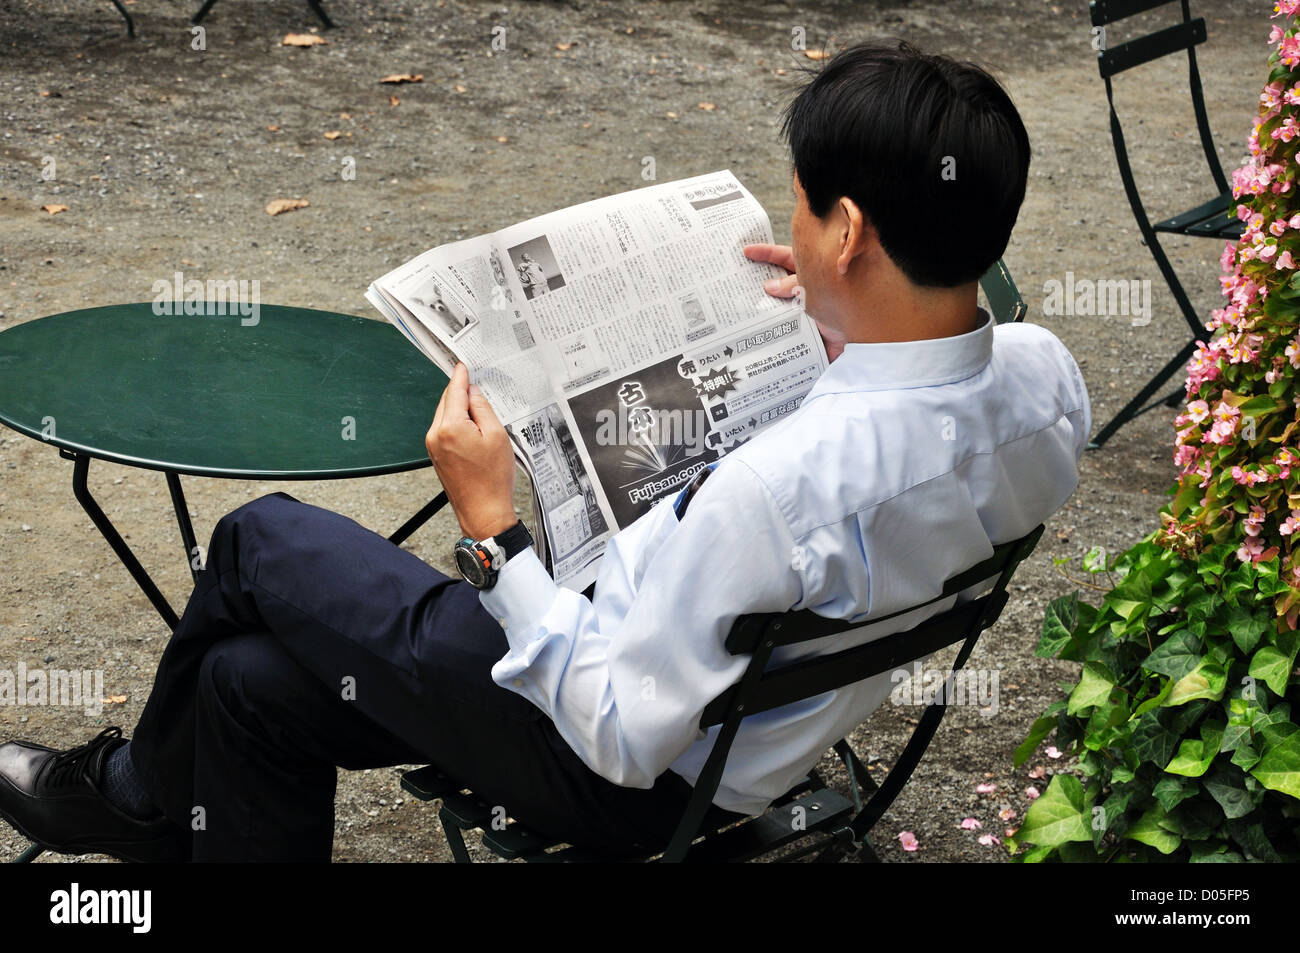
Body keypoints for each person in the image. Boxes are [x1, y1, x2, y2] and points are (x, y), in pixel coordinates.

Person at [0, 41, 1089, 862]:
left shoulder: (773, 493)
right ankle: (159, 803)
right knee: (249, 686)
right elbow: (912, 444)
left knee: (257, 543)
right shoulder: (1047, 382)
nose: (793, 233)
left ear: (848, 233)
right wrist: (834, 321)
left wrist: (492, 528)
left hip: (638, 769)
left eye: (805, 212)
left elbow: (614, 729)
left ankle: (136, 795)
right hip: (758, 722)